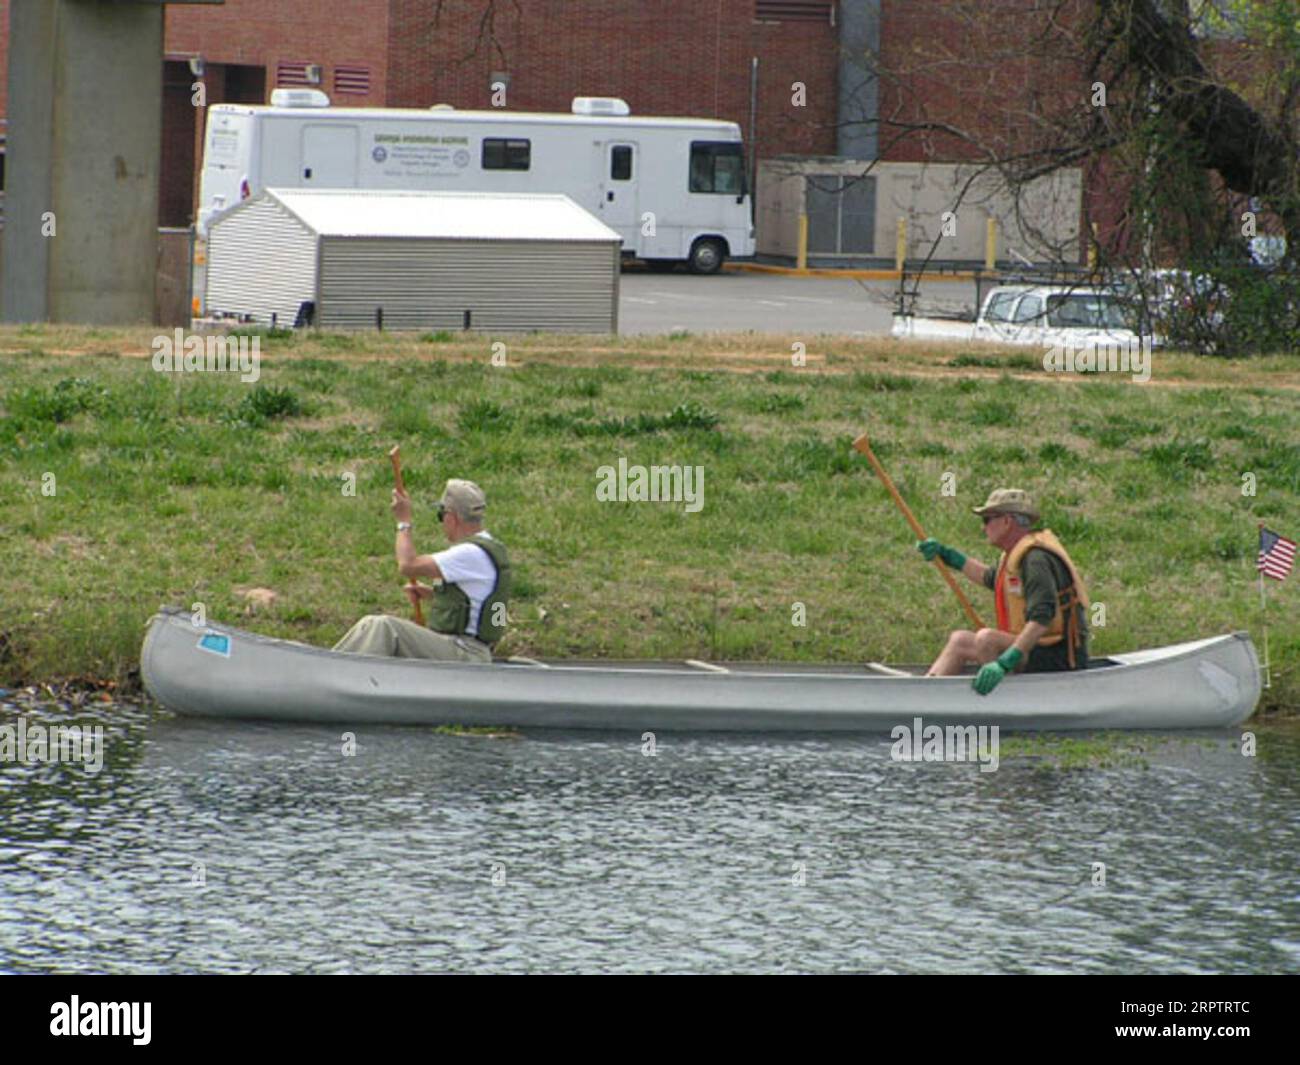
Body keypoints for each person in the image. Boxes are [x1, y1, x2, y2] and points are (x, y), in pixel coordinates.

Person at [918, 488, 1089, 695]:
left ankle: (1001, 701)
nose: (984, 528)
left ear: (1007, 522)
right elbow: (990, 578)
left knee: (987, 639)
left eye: (987, 520)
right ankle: (925, 694)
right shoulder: (1015, 555)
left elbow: (1042, 618)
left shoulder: (1035, 559)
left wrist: (1006, 662)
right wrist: (947, 555)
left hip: (1057, 656)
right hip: (1035, 649)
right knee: (960, 640)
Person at [333, 479, 510, 662]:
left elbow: (408, 566)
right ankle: (335, 664)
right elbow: (476, 605)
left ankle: (332, 669)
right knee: (373, 626)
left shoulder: (469, 553)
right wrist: (435, 595)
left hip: (465, 653)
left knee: (382, 626)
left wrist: (404, 522)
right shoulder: (488, 548)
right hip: (470, 652)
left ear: (451, 516)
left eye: (440, 516)